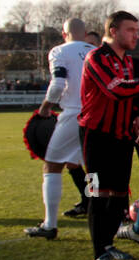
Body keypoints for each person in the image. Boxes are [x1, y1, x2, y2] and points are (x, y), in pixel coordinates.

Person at [77, 12, 139, 260]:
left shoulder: (127, 61)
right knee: (96, 193)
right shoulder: (96, 57)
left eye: (137, 30)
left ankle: (107, 244)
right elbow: (115, 89)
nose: (135, 35)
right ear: (114, 30)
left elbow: (128, 97)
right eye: (131, 30)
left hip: (121, 135)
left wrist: (137, 117)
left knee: (118, 194)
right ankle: (98, 254)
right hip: (95, 136)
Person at [24, 18, 94, 239]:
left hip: (73, 112)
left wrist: (46, 107)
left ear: (65, 34)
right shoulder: (96, 51)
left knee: (52, 166)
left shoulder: (59, 51)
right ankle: (103, 216)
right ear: (84, 34)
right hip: (97, 115)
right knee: (92, 168)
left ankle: (50, 224)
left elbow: (58, 83)